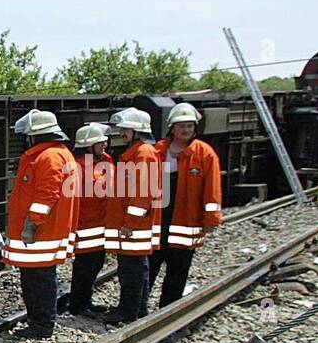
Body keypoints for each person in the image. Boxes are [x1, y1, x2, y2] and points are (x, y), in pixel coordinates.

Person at [4, 109, 79, 339]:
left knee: (39, 281)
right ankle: (40, 322)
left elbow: (47, 195)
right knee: (38, 279)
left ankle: (42, 325)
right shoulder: (58, 154)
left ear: (34, 135)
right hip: (46, 231)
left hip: (41, 234)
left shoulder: (48, 157)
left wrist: (32, 224)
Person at [150, 102, 224, 308]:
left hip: (186, 221)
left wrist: (211, 219)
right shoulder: (158, 150)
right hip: (159, 217)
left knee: (179, 267)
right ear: (172, 127)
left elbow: (212, 189)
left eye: (190, 126)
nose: (186, 130)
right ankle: (139, 307)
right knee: (151, 263)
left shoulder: (204, 154)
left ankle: (167, 309)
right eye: (181, 126)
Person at [103, 107, 161, 326]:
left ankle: (129, 312)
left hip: (134, 226)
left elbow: (142, 193)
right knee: (136, 268)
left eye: (125, 129)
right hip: (135, 224)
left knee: (131, 271)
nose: (121, 132)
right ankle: (139, 309)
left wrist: (130, 223)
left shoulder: (143, 154)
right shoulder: (137, 152)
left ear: (137, 130)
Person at [68, 122, 112, 317]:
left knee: (96, 264)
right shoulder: (77, 167)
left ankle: (85, 301)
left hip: (101, 225)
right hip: (86, 226)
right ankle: (78, 305)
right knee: (84, 267)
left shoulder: (106, 161)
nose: (105, 145)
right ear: (88, 145)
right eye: (101, 142)